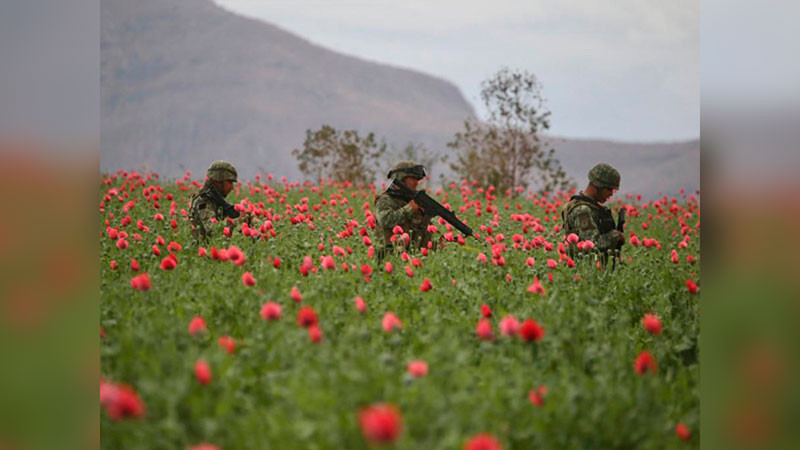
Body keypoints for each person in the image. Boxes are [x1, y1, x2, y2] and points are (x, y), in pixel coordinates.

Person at [561, 163, 625, 262]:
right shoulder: (583, 210)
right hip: (586, 271)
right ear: (597, 186)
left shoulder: (593, 208)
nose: (611, 193)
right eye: (608, 189)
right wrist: (617, 236)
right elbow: (592, 244)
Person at [374, 161, 433, 258]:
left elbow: (425, 231)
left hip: (412, 258)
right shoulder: (386, 200)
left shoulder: (414, 202)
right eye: (413, 178)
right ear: (401, 179)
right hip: (389, 257)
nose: (416, 182)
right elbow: (385, 220)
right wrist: (410, 208)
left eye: (417, 179)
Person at [190, 160, 241, 240]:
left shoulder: (216, 200)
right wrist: (239, 221)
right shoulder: (203, 201)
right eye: (230, 182)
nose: (232, 187)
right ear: (218, 181)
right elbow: (213, 230)